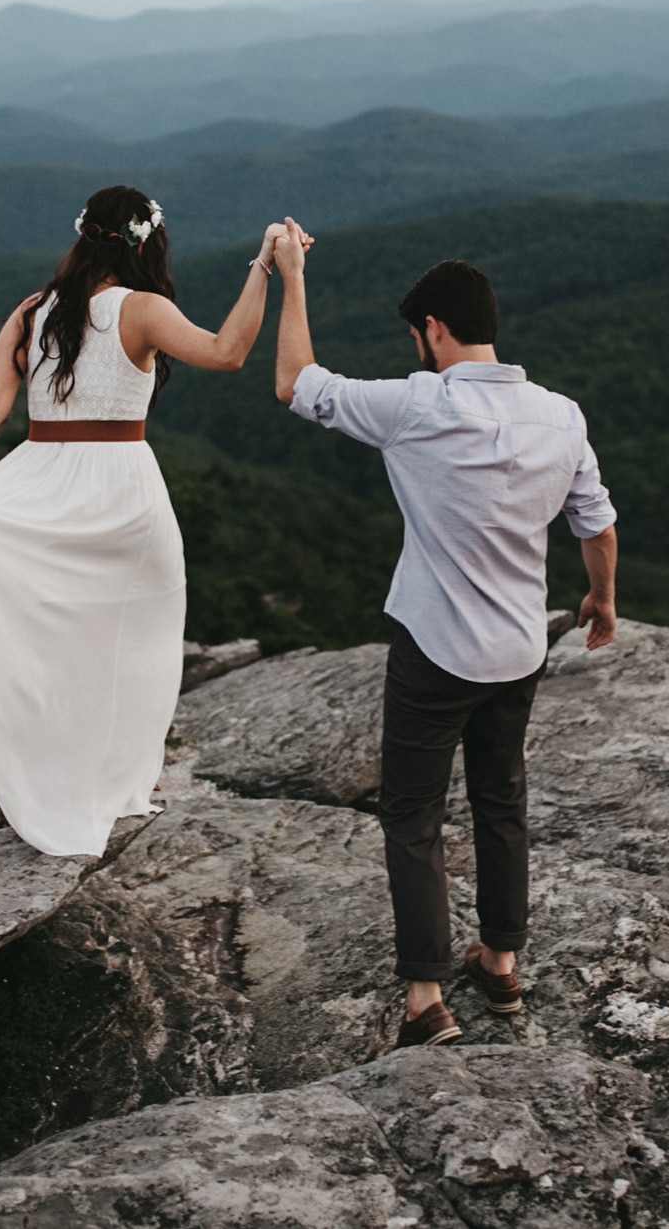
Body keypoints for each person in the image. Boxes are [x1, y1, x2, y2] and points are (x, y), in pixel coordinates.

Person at [270, 218, 619, 1048]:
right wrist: (600, 599)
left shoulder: (414, 404)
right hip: (519, 648)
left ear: (431, 329)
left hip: (433, 648)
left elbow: (292, 381)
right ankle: (499, 962)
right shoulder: (561, 415)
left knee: (414, 812)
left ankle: (426, 996)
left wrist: (292, 275)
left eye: (417, 335)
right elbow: (596, 524)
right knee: (502, 801)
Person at [0, 186, 297, 858]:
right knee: (139, 647)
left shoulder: (33, 312)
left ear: (84, 237)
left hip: (41, 483)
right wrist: (264, 266)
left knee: (57, 644)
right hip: (121, 491)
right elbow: (227, 351)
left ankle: (54, 778)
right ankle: (113, 783)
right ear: (147, 243)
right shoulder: (143, 309)